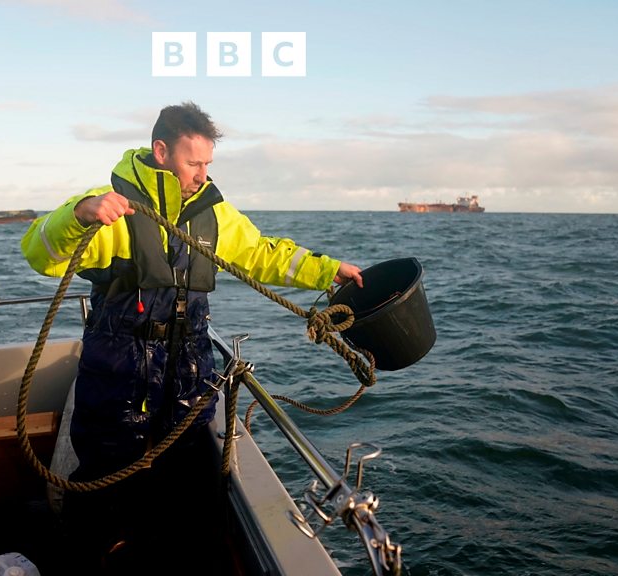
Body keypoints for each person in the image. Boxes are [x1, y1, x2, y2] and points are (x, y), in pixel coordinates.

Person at [20, 101, 362, 572]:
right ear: (161, 151)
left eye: (208, 164)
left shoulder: (212, 211)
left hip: (188, 372)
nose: (203, 174)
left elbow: (264, 254)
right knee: (106, 477)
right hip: (119, 372)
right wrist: (79, 214)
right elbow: (39, 252)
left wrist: (329, 271)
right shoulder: (109, 205)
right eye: (193, 163)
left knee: (182, 480)